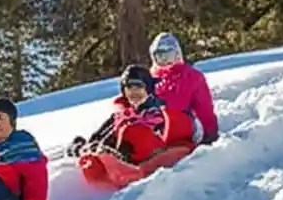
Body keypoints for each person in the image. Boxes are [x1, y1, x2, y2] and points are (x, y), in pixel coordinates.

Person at [70, 65, 201, 164]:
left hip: (149, 152)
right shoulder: (123, 114)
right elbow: (103, 133)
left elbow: (165, 133)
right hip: (119, 151)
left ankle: (113, 157)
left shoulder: (157, 112)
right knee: (118, 123)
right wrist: (91, 144)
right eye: (129, 88)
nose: (134, 92)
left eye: (138, 87)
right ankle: (92, 151)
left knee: (132, 129)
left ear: (148, 89)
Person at [149, 32, 219, 144]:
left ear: (177, 54)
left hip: (184, 127)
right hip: (155, 126)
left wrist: (210, 132)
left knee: (173, 118)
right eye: (160, 57)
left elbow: (204, 108)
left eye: (168, 56)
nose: (165, 61)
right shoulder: (150, 78)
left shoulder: (191, 77)